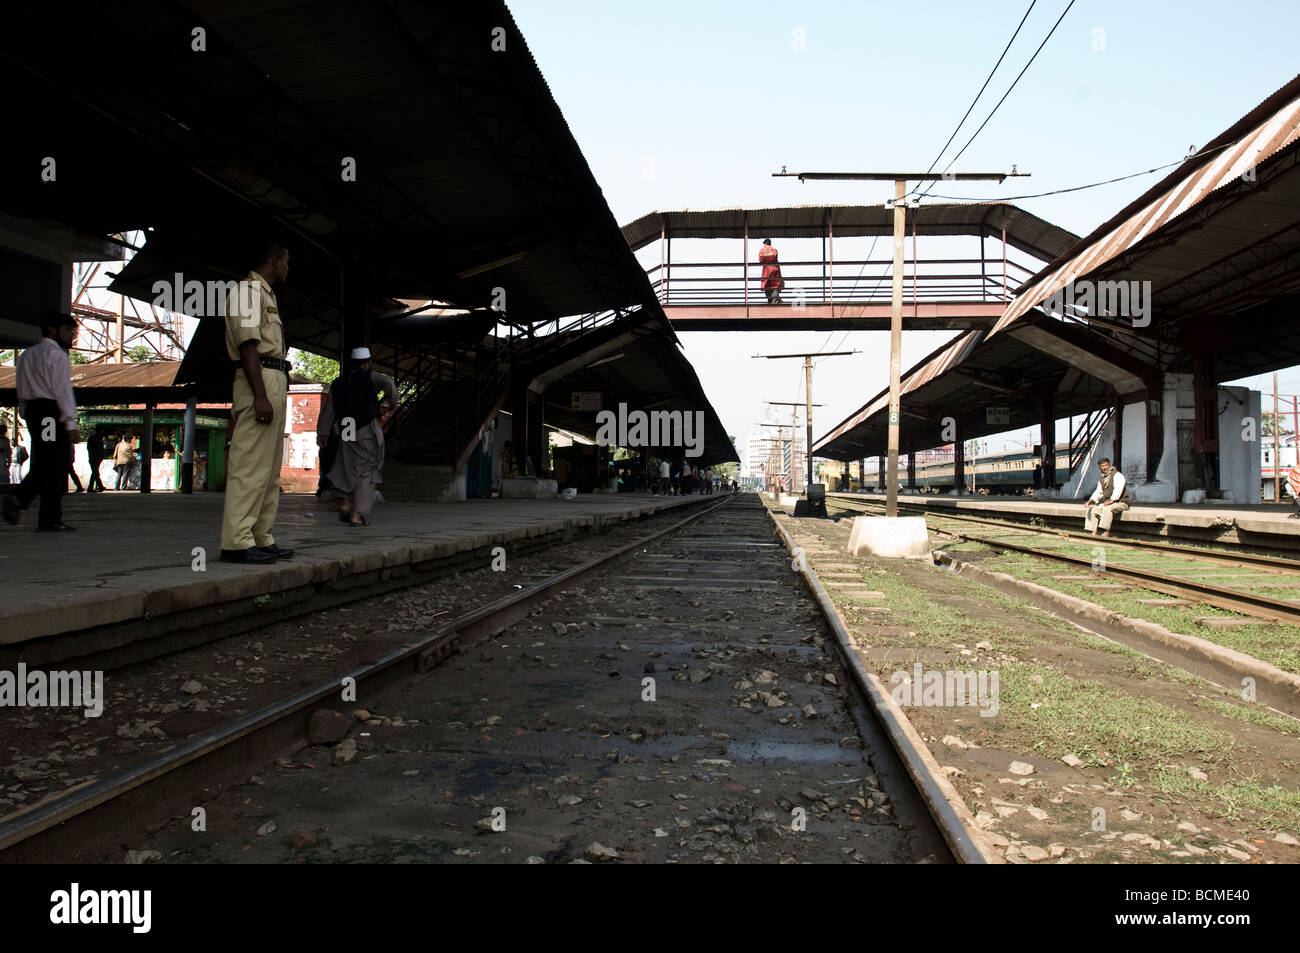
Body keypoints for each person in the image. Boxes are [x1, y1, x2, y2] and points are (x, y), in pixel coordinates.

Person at [219, 243, 293, 564]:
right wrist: (260, 395)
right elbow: (248, 346)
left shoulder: (266, 294)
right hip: (257, 379)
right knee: (250, 465)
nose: (288, 269)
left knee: (269, 468)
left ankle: (261, 536)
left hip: (273, 376)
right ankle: (236, 541)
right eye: (286, 262)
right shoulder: (247, 291)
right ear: (274, 261)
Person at [4, 312, 81, 531]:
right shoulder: (57, 355)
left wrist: (26, 412)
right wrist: (70, 423)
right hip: (50, 413)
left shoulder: (27, 355)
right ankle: (20, 498)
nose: (71, 335)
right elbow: (62, 391)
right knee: (52, 463)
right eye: (67, 330)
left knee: (50, 463)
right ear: (52, 330)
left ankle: (49, 519)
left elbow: (22, 389)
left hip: (34, 411)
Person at [316, 347, 397, 527]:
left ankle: (345, 501)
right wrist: (390, 402)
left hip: (346, 428)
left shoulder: (338, 382)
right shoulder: (370, 377)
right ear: (367, 362)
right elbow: (389, 383)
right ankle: (357, 514)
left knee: (346, 463)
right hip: (365, 426)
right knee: (368, 469)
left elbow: (329, 409)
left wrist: (322, 432)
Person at [1084, 457, 1130, 537]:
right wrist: (1090, 501)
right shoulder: (1102, 478)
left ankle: (1106, 531)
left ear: (1109, 465)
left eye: (1106, 465)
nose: (1104, 467)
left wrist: (1112, 500)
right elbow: (1098, 492)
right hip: (1109, 503)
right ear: (1099, 467)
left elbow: (1118, 489)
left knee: (1107, 509)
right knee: (1093, 509)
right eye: (1102, 466)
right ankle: (1093, 532)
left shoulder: (1117, 475)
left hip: (1122, 503)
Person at [759, 238, 784, 304]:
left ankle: (770, 301)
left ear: (764, 244)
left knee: (767, 285)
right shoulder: (775, 250)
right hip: (775, 270)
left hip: (766, 271)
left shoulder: (762, 250)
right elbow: (776, 258)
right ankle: (776, 301)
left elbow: (761, 261)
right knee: (775, 285)